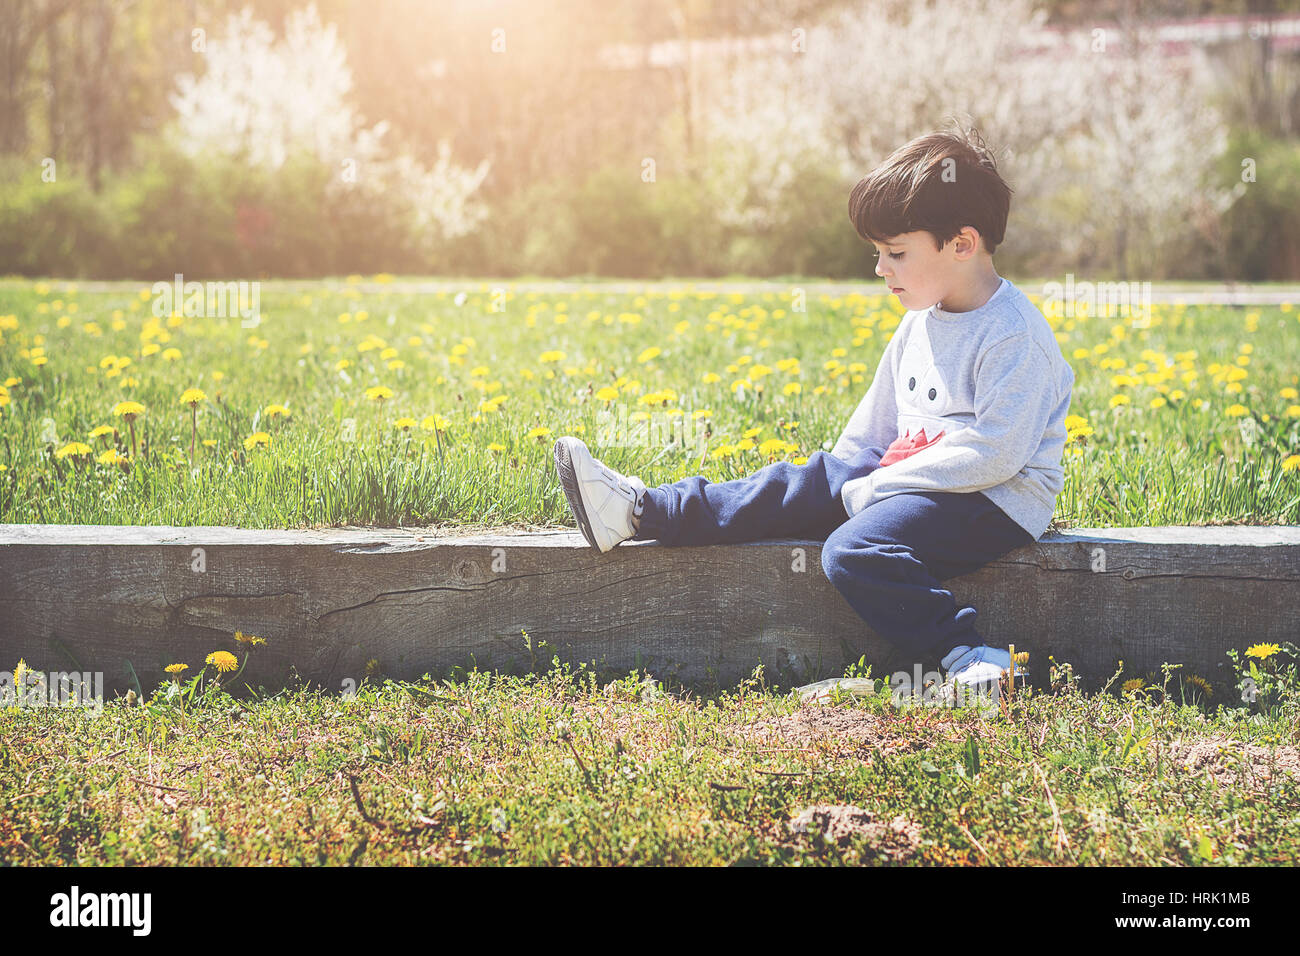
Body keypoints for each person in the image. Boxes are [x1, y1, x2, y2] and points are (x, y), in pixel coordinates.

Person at [553, 125, 1074, 701]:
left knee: (853, 550)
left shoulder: (1013, 334)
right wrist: (833, 483)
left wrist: (878, 485)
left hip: (995, 500)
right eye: (878, 253)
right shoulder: (918, 324)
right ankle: (641, 511)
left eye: (896, 253)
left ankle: (973, 659)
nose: (880, 268)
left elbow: (996, 453)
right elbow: (873, 430)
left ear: (962, 243)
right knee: (795, 484)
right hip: (914, 482)